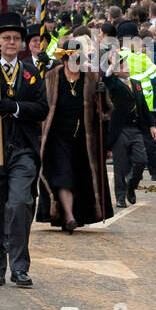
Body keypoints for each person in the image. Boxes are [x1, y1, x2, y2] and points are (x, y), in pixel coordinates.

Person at [0, 12, 49, 287]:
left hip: (22, 150)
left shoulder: (30, 72)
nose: (11, 42)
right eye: (6, 37)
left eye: (16, 38)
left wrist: (14, 108)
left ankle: (19, 267)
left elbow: (41, 108)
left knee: (19, 205)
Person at [37, 37, 112, 233]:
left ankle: (72, 215)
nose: (76, 63)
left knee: (79, 178)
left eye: (79, 59)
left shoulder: (91, 78)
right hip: (56, 137)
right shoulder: (51, 77)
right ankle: (69, 217)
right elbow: (41, 106)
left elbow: (105, 112)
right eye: (72, 59)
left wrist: (102, 95)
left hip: (82, 139)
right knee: (63, 176)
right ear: (63, 60)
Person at [104, 50, 156, 207]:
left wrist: (152, 124)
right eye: (122, 64)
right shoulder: (114, 84)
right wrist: (111, 66)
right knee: (120, 164)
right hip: (120, 129)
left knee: (141, 161)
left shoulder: (136, 83)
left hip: (135, 128)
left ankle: (131, 186)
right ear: (115, 70)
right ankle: (120, 196)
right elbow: (107, 79)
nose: (127, 67)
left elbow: (144, 107)